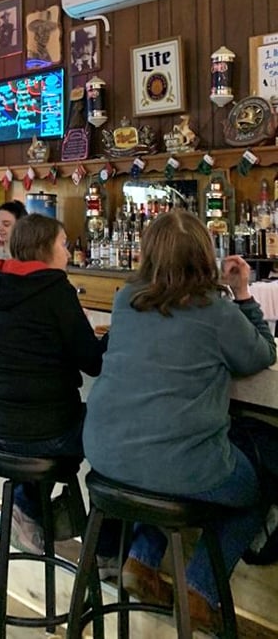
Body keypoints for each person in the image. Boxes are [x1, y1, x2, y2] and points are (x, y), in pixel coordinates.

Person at [83, 210, 276, 634]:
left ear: (148, 254)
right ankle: (200, 591)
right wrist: (243, 294)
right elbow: (262, 354)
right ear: (205, 256)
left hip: (105, 457)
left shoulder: (126, 300)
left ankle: (141, 561)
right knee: (259, 484)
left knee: (163, 463)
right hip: (175, 466)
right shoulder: (216, 312)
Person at [0, 214, 107, 552]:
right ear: (45, 248)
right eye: (63, 245)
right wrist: (119, 334)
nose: (68, 253)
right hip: (41, 432)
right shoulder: (55, 290)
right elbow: (94, 362)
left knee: (40, 421)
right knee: (108, 426)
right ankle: (105, 549)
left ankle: (23, 510)